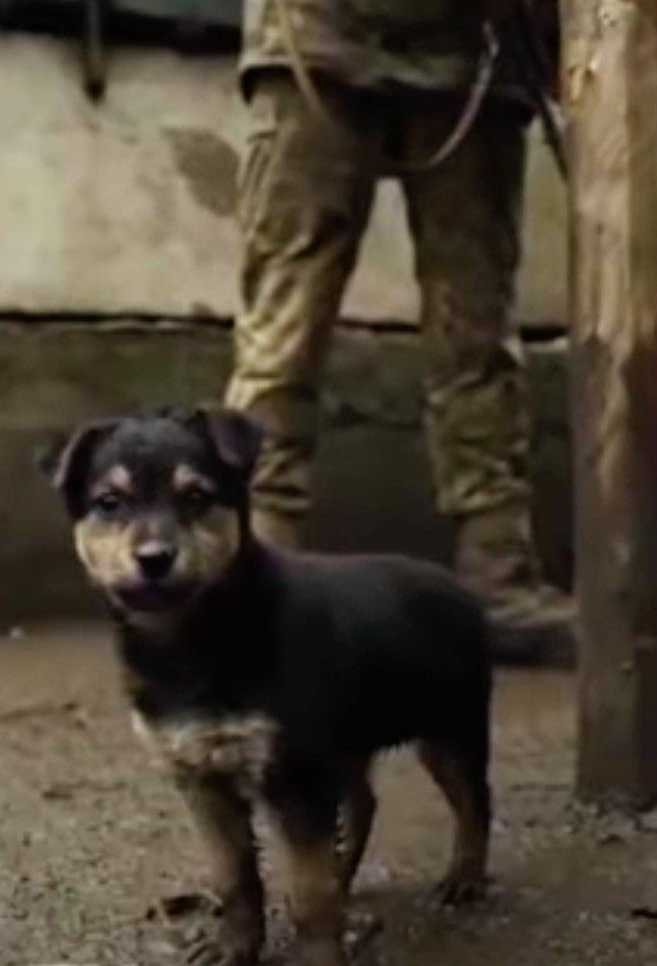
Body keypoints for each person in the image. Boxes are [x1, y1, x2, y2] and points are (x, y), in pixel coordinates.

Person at [223, 0, 573, 661]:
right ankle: (250, 576)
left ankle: (497, 573)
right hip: (312, 41)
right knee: (284, 327)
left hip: (475, 58)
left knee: (477, 331)